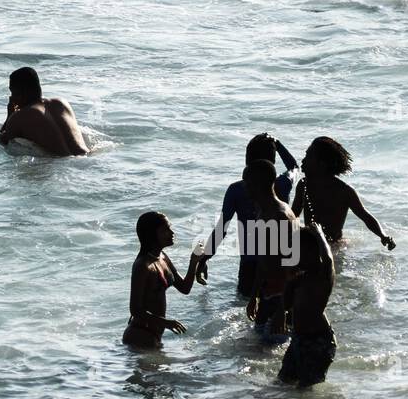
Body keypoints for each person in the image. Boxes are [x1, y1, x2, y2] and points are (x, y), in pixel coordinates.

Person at [198, 132, 299, 296]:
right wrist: (278, 144)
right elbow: (294, 167)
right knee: (278, 309)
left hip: (249, 264)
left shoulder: (237, 189)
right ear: (272, 162)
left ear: (247, 159)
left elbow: (221, 229)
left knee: (246, 310)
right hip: (281, 264)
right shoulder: (283, 184)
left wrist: (205, 257)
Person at [292, 136, 395, 250]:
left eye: (308, 156)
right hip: (311, 244)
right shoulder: (304, 185)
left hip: (334, 246)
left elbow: (365, 216)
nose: (303, 160)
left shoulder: (344, 191)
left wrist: (382, 235)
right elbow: (293, 216)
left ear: (322, 164)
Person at [123, 212, 200, 348]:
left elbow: (184, 288)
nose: (172, 232)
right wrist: (166, 323)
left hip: (153, 336)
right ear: (152, 234)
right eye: (165, 230)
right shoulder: (143, 265)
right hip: (139, 337)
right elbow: (135, 310)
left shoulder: (162, 257)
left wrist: (193, 261)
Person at [243, 159, 300, 341]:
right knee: (257, 350)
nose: (245, 188)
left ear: (258, 184)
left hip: (283, 299)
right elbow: (264, 259)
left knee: (267, 356)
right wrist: (254, 296)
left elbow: (294, 266)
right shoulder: (263, 211)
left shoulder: (280, 216)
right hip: (268, 294)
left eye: (248, 183)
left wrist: (282, 310)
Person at [279, 225, 336, 387]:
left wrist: (319, 235)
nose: (294, 256)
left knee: (305, 388)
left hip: (319, 341)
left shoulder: (323, 275)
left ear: (312, 252)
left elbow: (329, 260)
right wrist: (289, 279)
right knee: (283, 382)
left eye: (298, 252)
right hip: (299, 338)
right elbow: (287, 303)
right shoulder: (299, 279)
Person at [0, 66, 89, 156]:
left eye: (12, 92)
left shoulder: (20, 116)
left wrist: (10, 115)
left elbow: (2, 141)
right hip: (87, 156)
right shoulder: (62, 103)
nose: (12, 97)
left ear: (21, 93)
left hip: (64, 164)